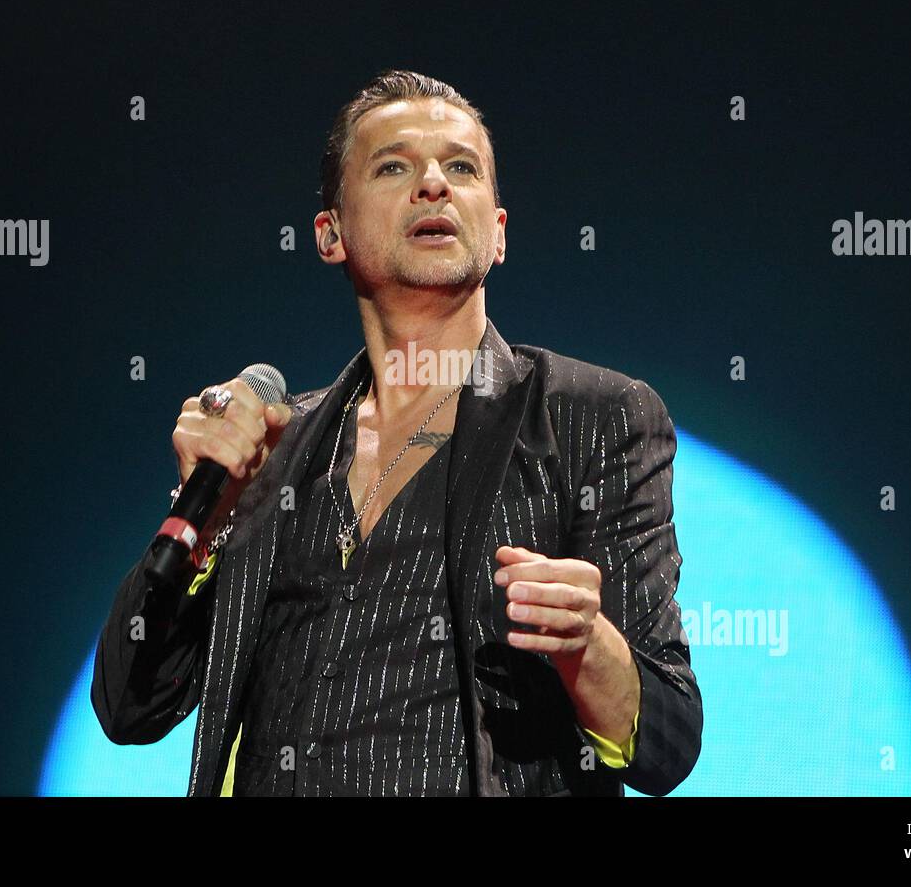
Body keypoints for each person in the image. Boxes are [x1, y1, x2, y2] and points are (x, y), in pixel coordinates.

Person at [91, 70, 702, 796]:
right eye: (393, 166)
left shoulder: (593, 416)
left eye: (462, 167)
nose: (435, 185)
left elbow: (669, 743)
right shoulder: (272, 450)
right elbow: (131, 705)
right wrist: (210, 514)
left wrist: (588, 649)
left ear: (499, 233)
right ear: (329, 234)